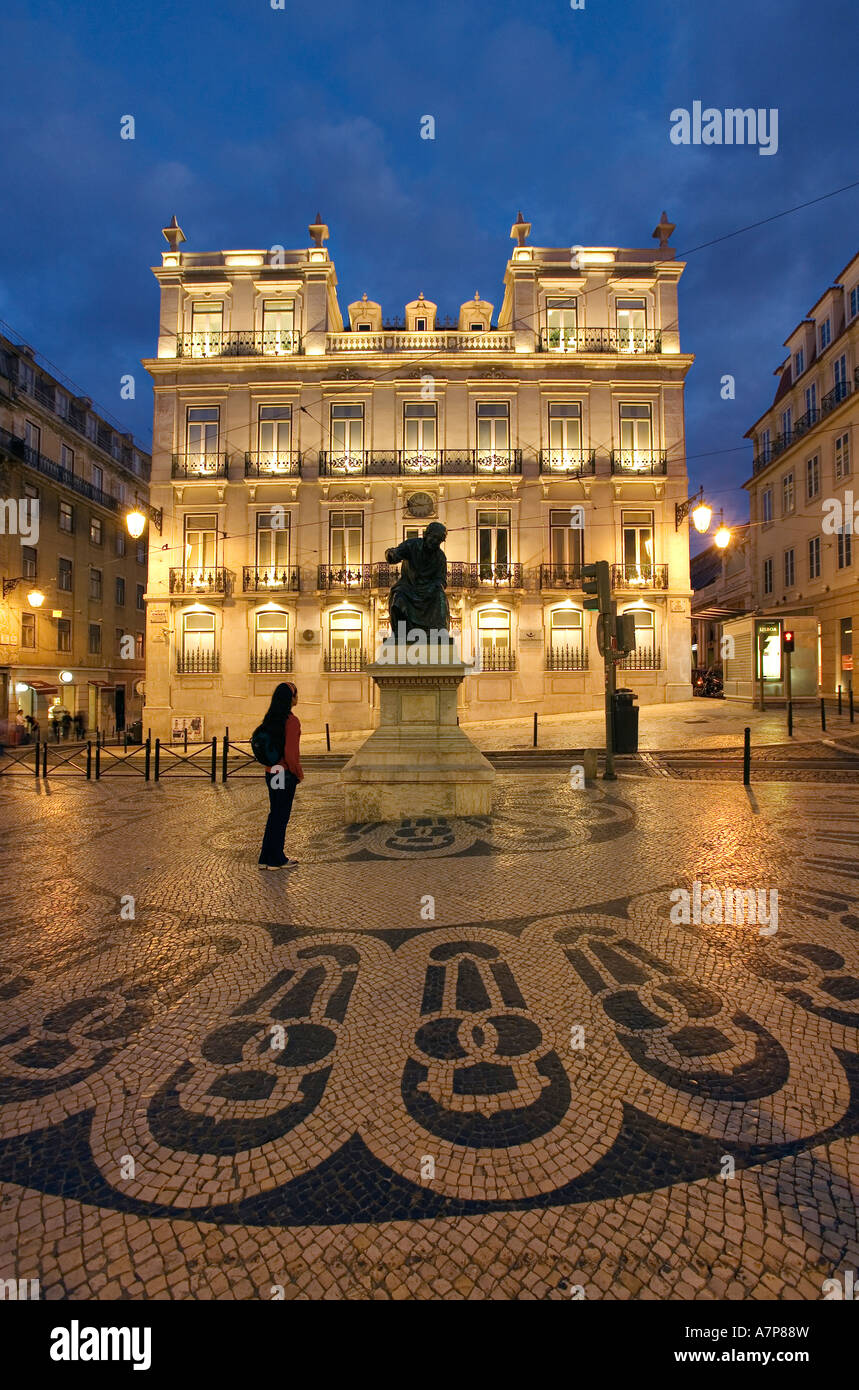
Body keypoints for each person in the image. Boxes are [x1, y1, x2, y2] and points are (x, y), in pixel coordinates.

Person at [258, 681, 303, 870]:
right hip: (284, 772)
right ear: (290, 698)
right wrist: (298, 773)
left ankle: (265, 858)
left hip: (272, 771)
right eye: (296, 694)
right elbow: (291, 753)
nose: (297, 698)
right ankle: (277, 859)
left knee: (274, 813)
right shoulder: (291, 721)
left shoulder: (270, 718)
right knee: (281, 815)